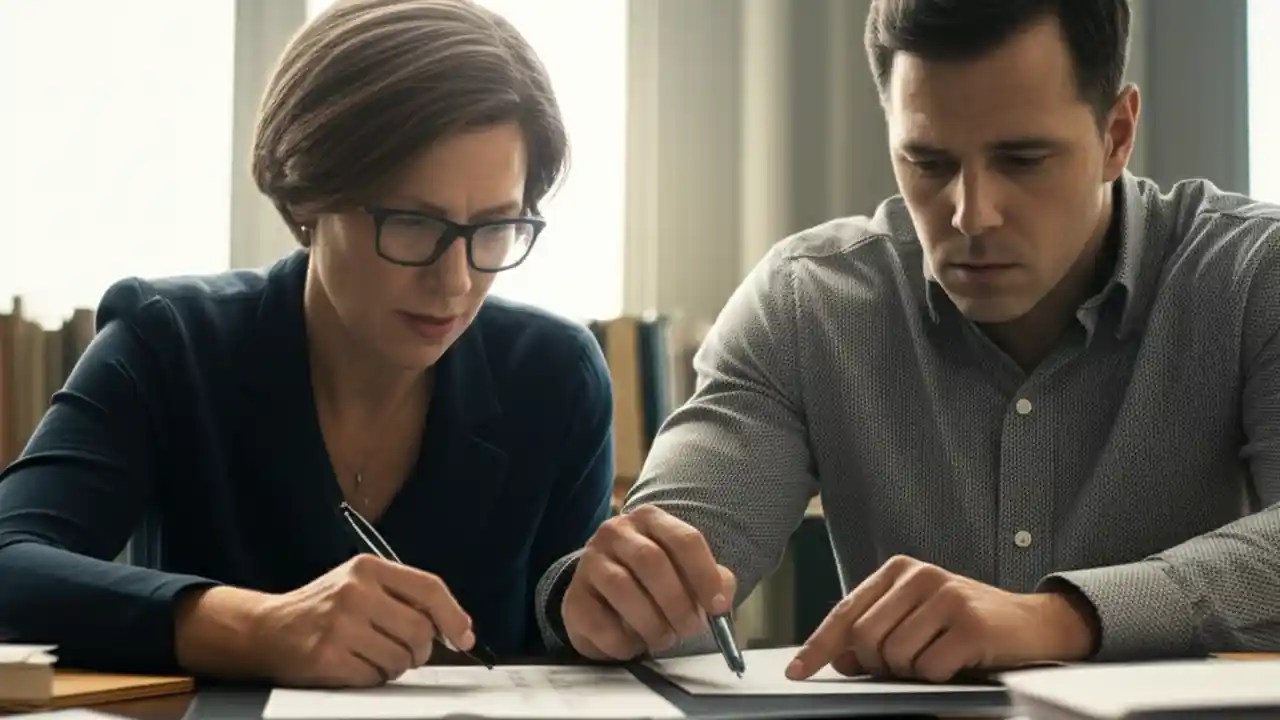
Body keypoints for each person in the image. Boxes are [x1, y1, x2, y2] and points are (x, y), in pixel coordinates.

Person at [539, 0, 1280, 682]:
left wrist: (1061, 618)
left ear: (1116, 135)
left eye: (1022, 161)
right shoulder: (809, 303)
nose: (971, 215)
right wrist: (616, 597)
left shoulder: (1252, 277)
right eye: (928, 163)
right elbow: (681, 548)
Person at [0, 0, 614, 688]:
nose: (456, 279)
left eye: (495, 227)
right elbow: (9, 563)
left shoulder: (555, 377)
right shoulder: (172, 344)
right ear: (306, 201)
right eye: (412, 223)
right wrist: (254, 627)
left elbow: (576, 637)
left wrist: (626, 604)